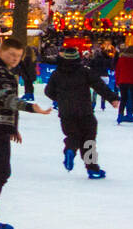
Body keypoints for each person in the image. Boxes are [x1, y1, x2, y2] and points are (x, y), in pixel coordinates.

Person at [0, 37, 52, 229]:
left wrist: (12, 127)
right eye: (11, 55)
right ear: (1, 52)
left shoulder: (5, 71)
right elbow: (6, 98)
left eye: (18, 57)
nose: (15, 59)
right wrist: (30, 107)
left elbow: (2, 103)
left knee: (0, 173)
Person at [45, 46, 118, 179]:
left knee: (73, 135)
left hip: (66, 113)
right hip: (85, 111)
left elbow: (48, 91)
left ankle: (70, 150)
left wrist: (61, 100)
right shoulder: (84, 71)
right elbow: (99, 85)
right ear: (78, 58)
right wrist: (112, 98)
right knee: (89, 138)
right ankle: (92, 168)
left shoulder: (57, 74)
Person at [113, 45, 133, 123]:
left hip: (122, 81)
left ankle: (120, 116)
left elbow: (117, 71)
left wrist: (117, 81)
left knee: (123, 99)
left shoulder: (121, 59)